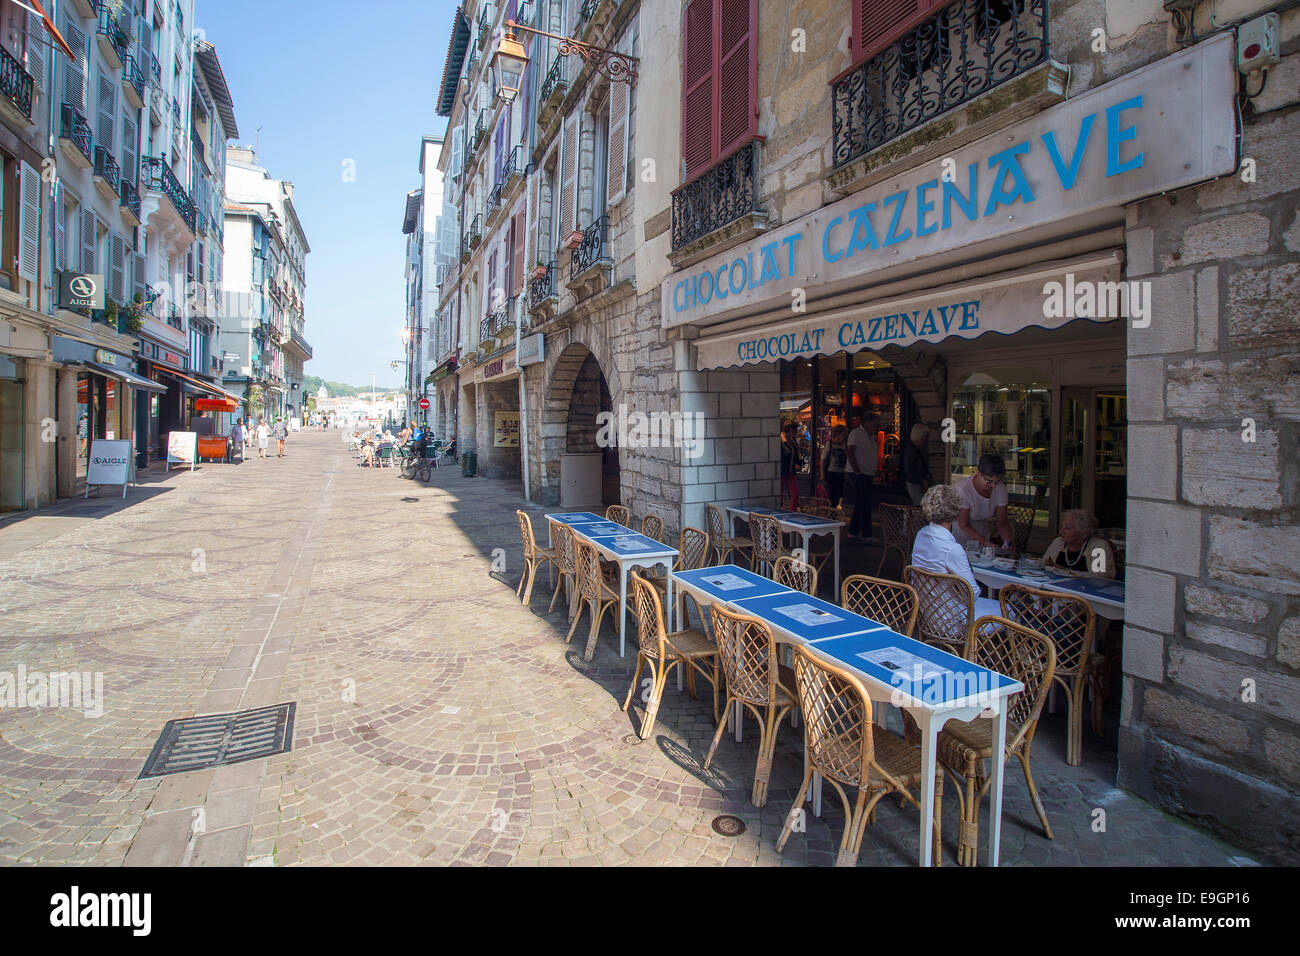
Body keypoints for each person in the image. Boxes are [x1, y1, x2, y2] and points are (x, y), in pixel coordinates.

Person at [912, 484, 1001, 618]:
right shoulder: (952, 549)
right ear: (955, 512)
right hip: (952, 619)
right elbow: (973, 593)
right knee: (1008, 609)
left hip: (926, 613)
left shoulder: (921, 535)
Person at [953, 454, 1015, 550]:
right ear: (978, 472)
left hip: (983, 536)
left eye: (997, 482)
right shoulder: (963, 489)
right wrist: (986, 543)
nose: (993, 485)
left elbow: (1002, 522)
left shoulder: (1000, 488)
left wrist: (1009, 542)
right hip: (962, 539)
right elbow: (964, 524)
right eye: (989, 481)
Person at [1043, 509, 1117, 578]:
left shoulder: (1098, 547)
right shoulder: (1059, 542)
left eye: (1068, 528)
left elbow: (1100, 577)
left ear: (1085, 531)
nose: (1061, 532)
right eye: (1062, 527)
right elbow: (1043, 566)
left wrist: (1065, 571)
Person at [845, 412, 880, 541]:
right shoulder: (857, 434)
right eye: (875, 424)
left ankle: (856, 532)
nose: (876, 427)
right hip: (859, 474)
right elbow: (850, 452)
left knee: (863, 503)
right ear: (868, 423)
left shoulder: (871, 437)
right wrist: (857, 470)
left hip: (867, 474)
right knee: (863, 503)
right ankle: (864, 533)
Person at [903, 423, 932, 506]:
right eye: (925, 436)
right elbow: (909, 473)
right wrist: (922, 481)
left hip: (920, 484)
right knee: (918, 505)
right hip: (914, 485)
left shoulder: (922, 450)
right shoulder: (911, 451)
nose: (927, 439)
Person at [820, 424, 848, 509]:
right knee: (832, 495)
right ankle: (831, 512)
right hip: (831, 472)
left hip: (842, 472)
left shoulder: (846, 445)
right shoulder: (830, 444)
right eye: (843, 433)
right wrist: (822, 474)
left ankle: (834, 510)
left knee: (840, 494)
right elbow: (823, 459)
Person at [779, 422, 803, 509]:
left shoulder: (792, 440)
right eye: (795, 430)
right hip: (781, 471)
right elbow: (785, 454)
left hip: (791, 471)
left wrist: (797, 463)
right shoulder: (781, 441)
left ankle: (792, 512)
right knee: (779, 495)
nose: (796, 432)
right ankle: (779, 512)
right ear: (790, 430)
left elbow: (796, 454)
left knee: (794, 493)